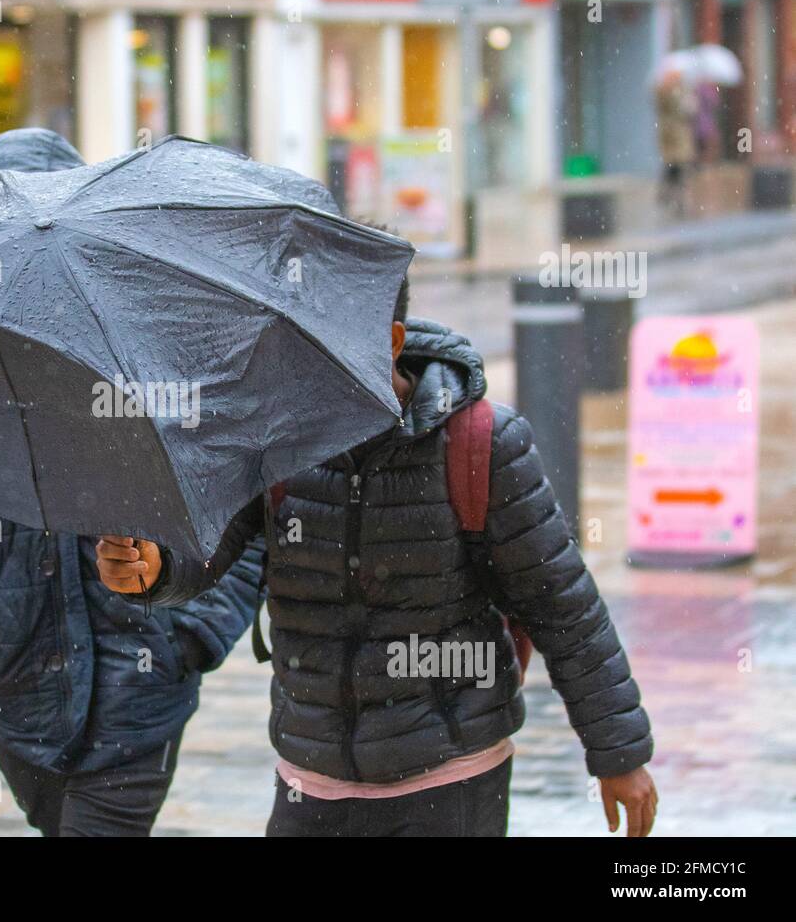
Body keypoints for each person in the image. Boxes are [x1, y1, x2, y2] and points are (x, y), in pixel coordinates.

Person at [96, 270, 658, 837]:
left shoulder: (480, 441)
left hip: (449, 780)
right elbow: (214, 550)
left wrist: (619, 755)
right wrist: (156, 568)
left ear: (391, 341)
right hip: (309, 778)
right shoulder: (272, 438)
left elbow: (562, 606)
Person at [0, 128, 265, 837]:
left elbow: (247, 518)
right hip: (17, 703)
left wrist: (194, 631)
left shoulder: (152, 360)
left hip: (145, 698)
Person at [655, 70, 697, 218]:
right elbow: (683, 111)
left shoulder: (675, 91)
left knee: (676, 169)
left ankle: (675, 200)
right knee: (675, 169)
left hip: (676, 138)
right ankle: (672, 198)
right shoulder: (667, 93)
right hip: (674, 137)